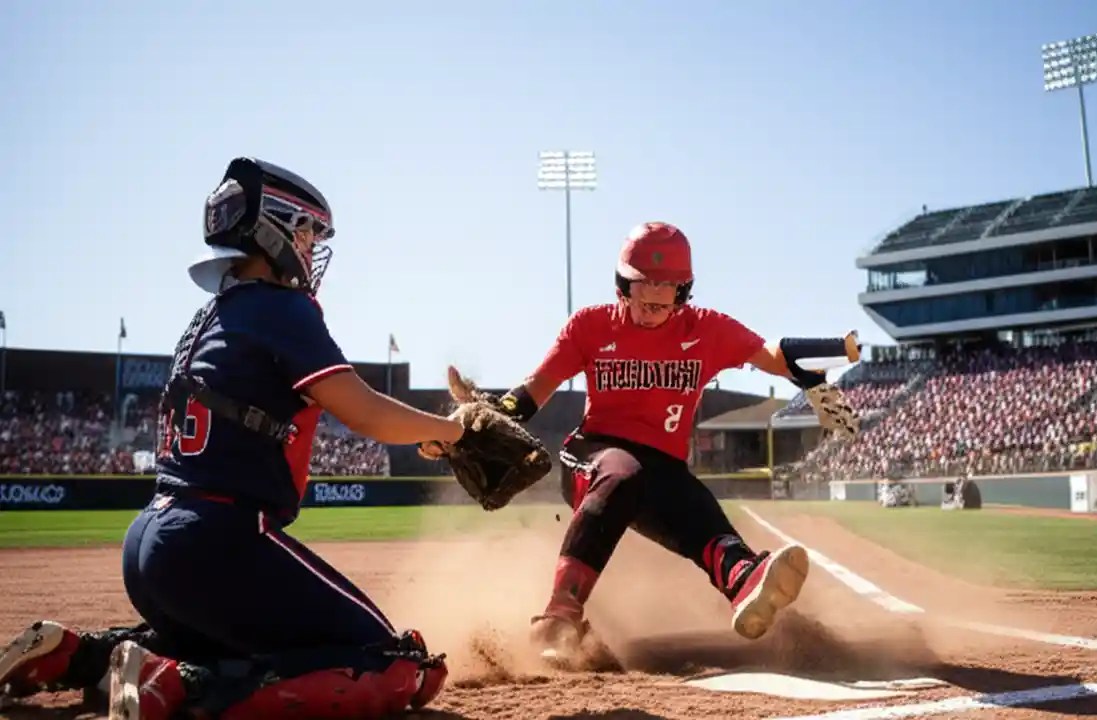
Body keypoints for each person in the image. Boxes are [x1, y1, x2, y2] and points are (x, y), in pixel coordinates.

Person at [0, 158, 465, 719]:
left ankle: (81, 656)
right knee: (397, 663)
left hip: (153, 541)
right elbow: (363, 411)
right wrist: (452, 430)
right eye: (308, 230)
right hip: (216, 538)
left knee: (248, 645)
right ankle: (178, 690)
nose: (313, 245)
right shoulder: (282, 307)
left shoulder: (211, 316)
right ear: (274, 227)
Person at [427, 221, 856, 664]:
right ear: (622, 286)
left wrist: (811, 375)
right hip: (594, 456)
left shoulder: (707, 330)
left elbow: (770, 354)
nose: (650, 310)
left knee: (702, 518)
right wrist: (469, 423)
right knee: (622, 472)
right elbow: (532, 392)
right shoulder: (590, 326)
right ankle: (559, 618)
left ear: (684, 292)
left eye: (663, 299)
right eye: (641, 297)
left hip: (664, 468)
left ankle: (745, 577)